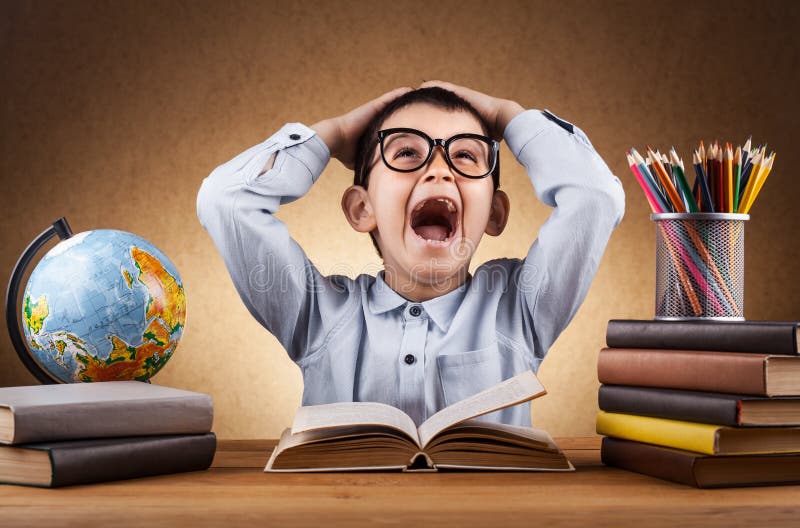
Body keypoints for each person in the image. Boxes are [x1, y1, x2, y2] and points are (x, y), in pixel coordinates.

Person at [196, 80, 625, 427]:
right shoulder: (317, 315)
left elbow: (596, 197)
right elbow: (226, 201)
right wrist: (333, 134)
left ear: (494, 214)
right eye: (406, 153)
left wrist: (507, 116)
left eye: (465, 155)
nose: (439, 170)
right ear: (362, 209)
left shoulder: (521, 309)